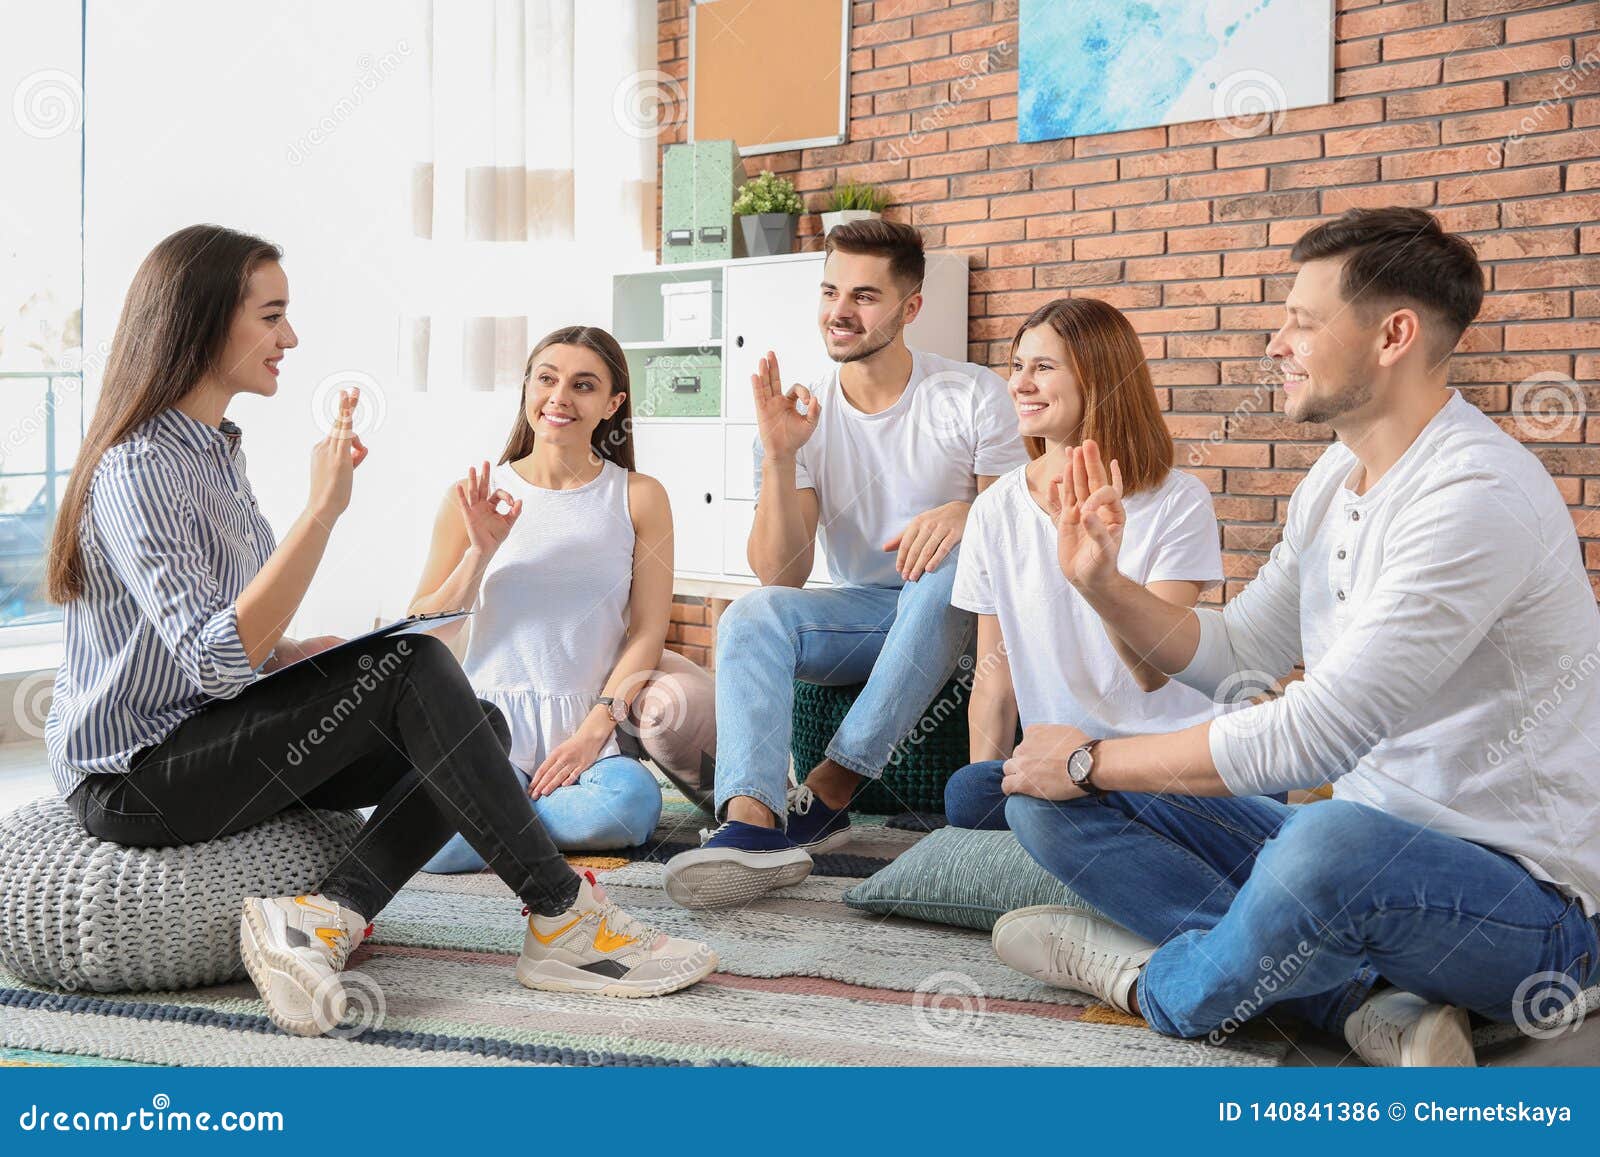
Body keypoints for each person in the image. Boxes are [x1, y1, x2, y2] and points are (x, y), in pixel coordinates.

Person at [44, 226, 715, 1039]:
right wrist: (322, 511)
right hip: (137, 776)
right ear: (206, 319)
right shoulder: (139, 464)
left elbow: (235, 641)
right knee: (416, 670)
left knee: (480, 722)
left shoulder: (215, 453)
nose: (290, 337)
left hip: (206, 736)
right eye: (272, 315)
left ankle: (325, 915)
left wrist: (297, 655)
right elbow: (216, 658)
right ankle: (562, 914)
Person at [989, 207, 1600, 1067]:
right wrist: (1103, 583)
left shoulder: (1474, 494)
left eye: (1302, 323)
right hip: (1360, 840)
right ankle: (1358, 1002)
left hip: (1526, 909)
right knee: (1039, 800)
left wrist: (1089, 754)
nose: (1276, 343)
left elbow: (1317, 737)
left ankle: (1156, 984)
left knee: (1322, 839)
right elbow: (1238, 653)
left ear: (1393, 335)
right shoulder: (1331, 478)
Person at [663, 218, 1030, 908]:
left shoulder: (974, 394)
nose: (840, 311)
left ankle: (830, 788)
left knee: (953, 565)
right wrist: (778, 455)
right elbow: (784, 574)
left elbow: (1020, 532)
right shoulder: (802, 414)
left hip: (967, 620)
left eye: (864, 296)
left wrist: (967, 514)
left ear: (909, 307)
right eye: (831, 291)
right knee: (752, 612)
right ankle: (752, 824)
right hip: (865, 613)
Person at [942, 297, 1224, 831]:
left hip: (1163, 762)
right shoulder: (996, 508)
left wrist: (1099, 578)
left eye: (1043, 367)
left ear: (1099, 379)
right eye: (1017, 365)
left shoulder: (1177, 501)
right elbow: (993, 683)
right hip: (1059, 770)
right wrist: (981, 821)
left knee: (1239, 782)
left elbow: (1153, 674)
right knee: (969, 793)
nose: (1020, 383)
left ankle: (1078, 837)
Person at [410, 326, 673, 865]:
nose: (559, 398)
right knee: (433, 840)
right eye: (546, 380)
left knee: (628, 806)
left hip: (589, 727)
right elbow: (423, 635)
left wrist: (592, 733)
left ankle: (493, 828)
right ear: (526, 387)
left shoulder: (639, 497)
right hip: (487, 729)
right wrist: (478, 553)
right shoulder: (473, 498)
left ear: (612, 403)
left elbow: (648, 631)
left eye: (583, 385)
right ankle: (515, 826)